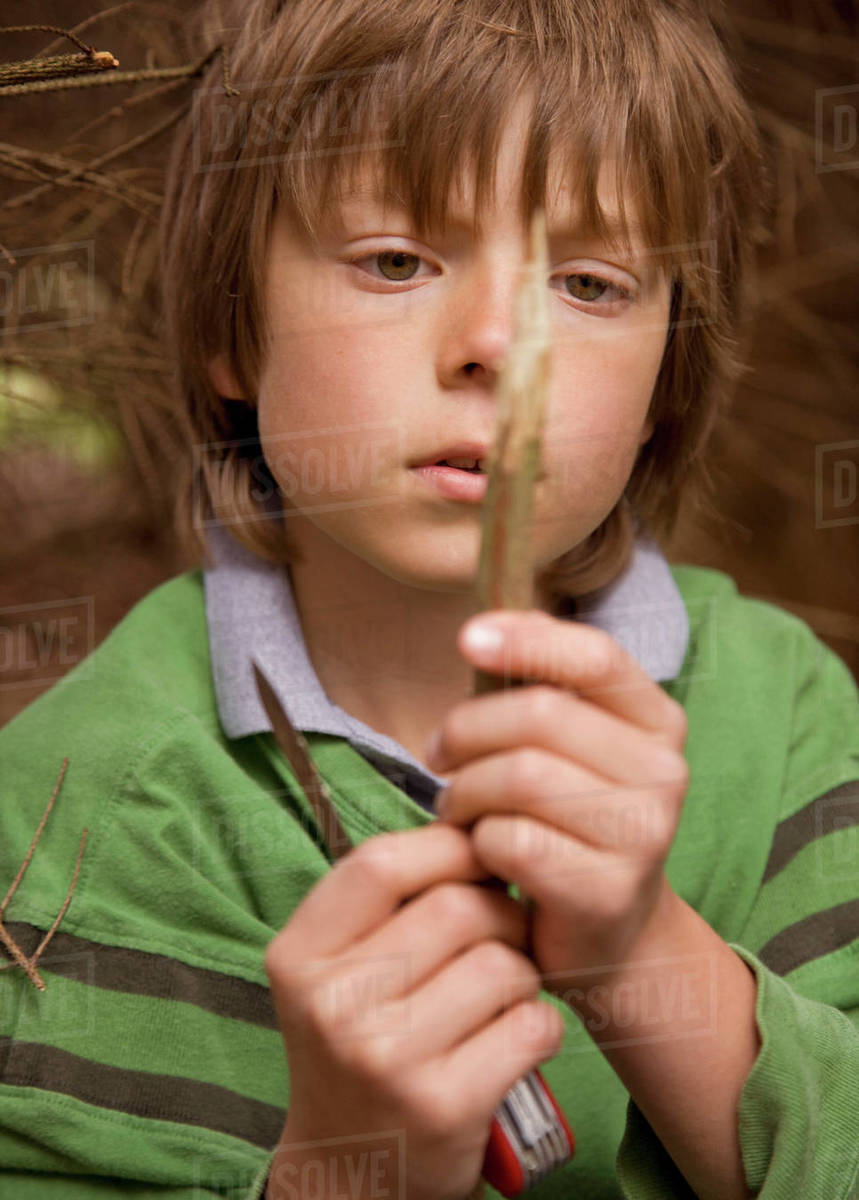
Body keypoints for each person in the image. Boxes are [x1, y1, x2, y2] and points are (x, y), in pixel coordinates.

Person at [1, 1, 857, 1197]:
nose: (497, 342)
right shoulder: (66, 815)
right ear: (234, 330)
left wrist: (640, 953)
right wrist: (346, 1170)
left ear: (670, 374)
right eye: (397, 261)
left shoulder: (786, 716)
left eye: (592, 284)